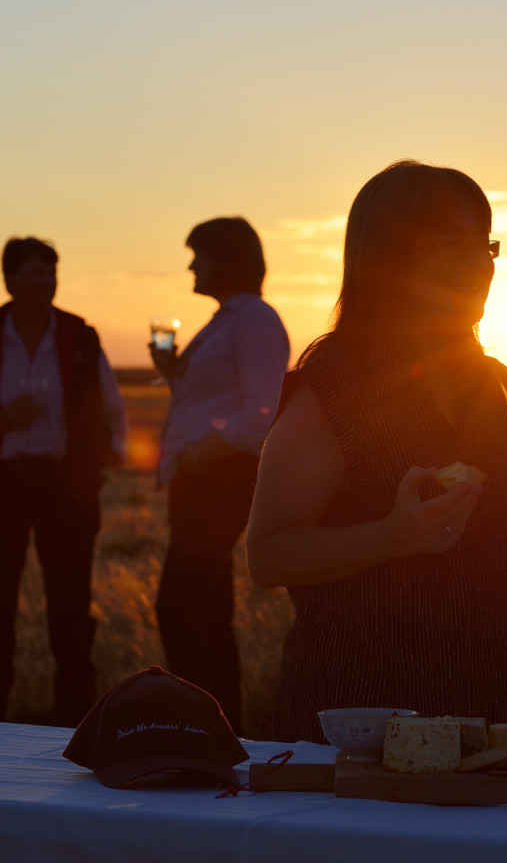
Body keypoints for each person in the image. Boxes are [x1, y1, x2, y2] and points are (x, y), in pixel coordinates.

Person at [247, 161, 507, 745]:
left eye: (486, 245)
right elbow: (269, 557)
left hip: (483, 724)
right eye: (449, 245)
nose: (480, 265)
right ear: (389, 260)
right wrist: (393, 535)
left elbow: (500, 545)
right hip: (362, 731)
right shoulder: (334, 385)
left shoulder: (494, 384)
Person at [0, 237, 128, 726]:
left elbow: (111, 410)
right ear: (8, 280)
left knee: (71, 611)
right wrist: (5, 420)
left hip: (64, 489)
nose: (45, 281)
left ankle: (76, 726)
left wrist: (102, 464)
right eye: (33, 272)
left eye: (51, 272)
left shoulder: (80, 338)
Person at [148, 217, 289, 735]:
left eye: (198, 255)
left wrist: (203, 452)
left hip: (219, 480)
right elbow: (211, 403)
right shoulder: (227, 319)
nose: (190, 265)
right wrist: (173, 377)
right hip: (201, 477)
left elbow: (264, 410)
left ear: (224, 258)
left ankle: (195, 728)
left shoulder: (253, 319)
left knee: (178, 606)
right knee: (207, 612)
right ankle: (223, 732)